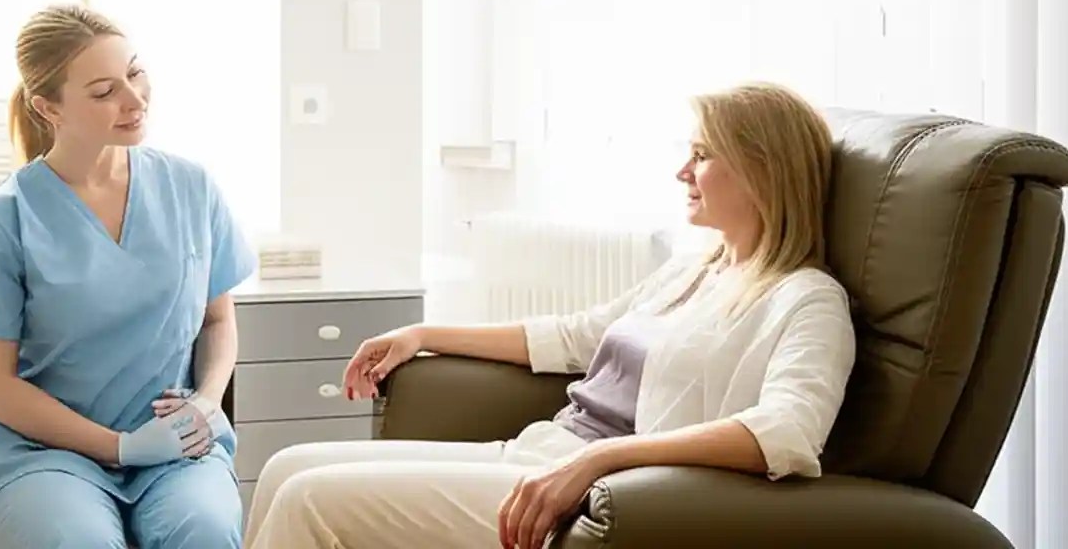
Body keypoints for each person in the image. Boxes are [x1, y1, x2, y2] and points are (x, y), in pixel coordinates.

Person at [243, 82, 856, 549]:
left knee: (308, 500)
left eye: (702, 154)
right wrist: (421, 334)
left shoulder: (807, 300)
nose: (682, 171)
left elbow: (787, 432)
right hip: (544, 451)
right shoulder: (696, 270)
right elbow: (572, 337)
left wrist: (601, 460)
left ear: (762, 171)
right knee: (286, 467)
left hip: (598, 493)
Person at [0, 4, 257, 549]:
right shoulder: (0, 223)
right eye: (104, 92)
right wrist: (119, 448)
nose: (134, 100)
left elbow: (217, 320)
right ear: (48, 107)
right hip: (42, 457)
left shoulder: (191, 189)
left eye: (135, 73)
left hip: (175, 448)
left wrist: (205, 403)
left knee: (203, 529)